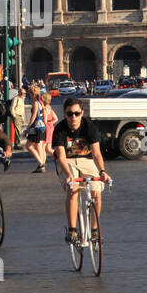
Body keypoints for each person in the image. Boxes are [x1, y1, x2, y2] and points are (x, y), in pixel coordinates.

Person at [51, 97, 109, 244]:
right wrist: (69, 176)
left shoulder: (89, 127)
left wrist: (102, 171)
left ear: (82, 113)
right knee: (73, 188)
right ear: (64, 114)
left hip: (87, 160)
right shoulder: (59, 129)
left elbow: (96, 154)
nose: (73, 117)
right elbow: (62, 157)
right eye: (70, 114)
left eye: (77, 113)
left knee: (97, 191)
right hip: (67, 161)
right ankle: (72, 230)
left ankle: (94, 230)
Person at [25, 86, 50, 173]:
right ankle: (42, 165)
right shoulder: (41, 102)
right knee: (41, 147)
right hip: (43, 127)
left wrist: (28, 127)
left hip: (36, 127)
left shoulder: (35, 103)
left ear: (32, 94)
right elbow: (45, 115)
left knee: (28, 146)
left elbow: (34, 116)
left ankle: (41, 163)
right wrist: (45, 122)